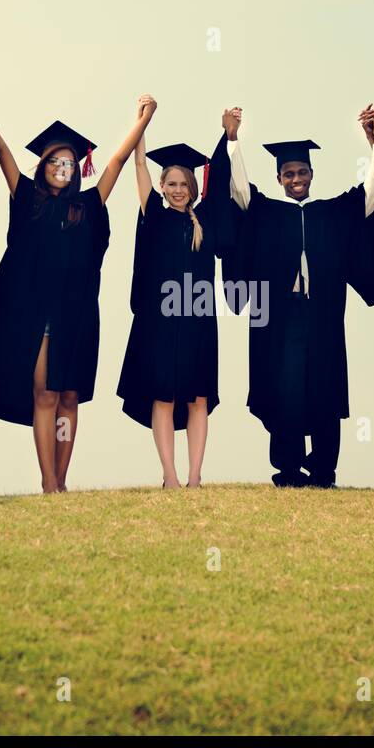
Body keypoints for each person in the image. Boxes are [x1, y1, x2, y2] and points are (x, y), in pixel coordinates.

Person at [0, 86, 156, 493]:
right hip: (37, 316)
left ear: (78, 168)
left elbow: (118, 162)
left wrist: (143, 121)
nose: (62, 167)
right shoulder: (26, 198)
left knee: (69, 398)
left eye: (69, 162)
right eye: (55, 161)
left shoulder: (89, 205)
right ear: (44, 165)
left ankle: (63, 479)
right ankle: (48, 480)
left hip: (79, 315)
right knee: (46, 395)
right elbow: (1, 152)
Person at [217, 105, 374, 488]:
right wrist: (232, 139)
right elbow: (238, 188)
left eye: (301, 172)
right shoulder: (266, 213)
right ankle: (289, 468)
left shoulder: (334, 213)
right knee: (285, 389)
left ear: (312, 175)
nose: (296, 179)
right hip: (280, 318)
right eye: (288, 174)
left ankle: (324, 470)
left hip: (323, 316)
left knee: (325, 389)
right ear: (279, 178)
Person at [117, 124, 239, 488]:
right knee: (165, 395)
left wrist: (227, 135)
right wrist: (143, 122)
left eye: (184, 184)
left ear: (193, 188)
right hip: (160, 320)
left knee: (198, 397)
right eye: (171, 184)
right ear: (161, 186)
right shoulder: (154, 215)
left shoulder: (206, 220)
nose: (178, 190)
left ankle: (195, 476)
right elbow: (139, 165)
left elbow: (220, 179)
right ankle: (170, 475)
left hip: (199, 318)